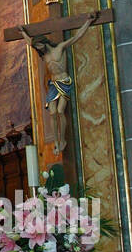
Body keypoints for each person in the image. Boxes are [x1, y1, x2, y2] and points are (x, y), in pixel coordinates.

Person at [18, 11, 98, 153]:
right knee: (53, 113)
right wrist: (22, 32)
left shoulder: (59, 48)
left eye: (39, 46)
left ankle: (63, 140)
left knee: (61, 111)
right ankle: (56, 141)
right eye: (37, 48)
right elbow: (30, 42)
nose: (38, 48)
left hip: (64, 81)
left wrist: (88, 22)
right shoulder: (45, 56)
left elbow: (77, 37)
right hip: (53, 84)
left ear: (43, 42)